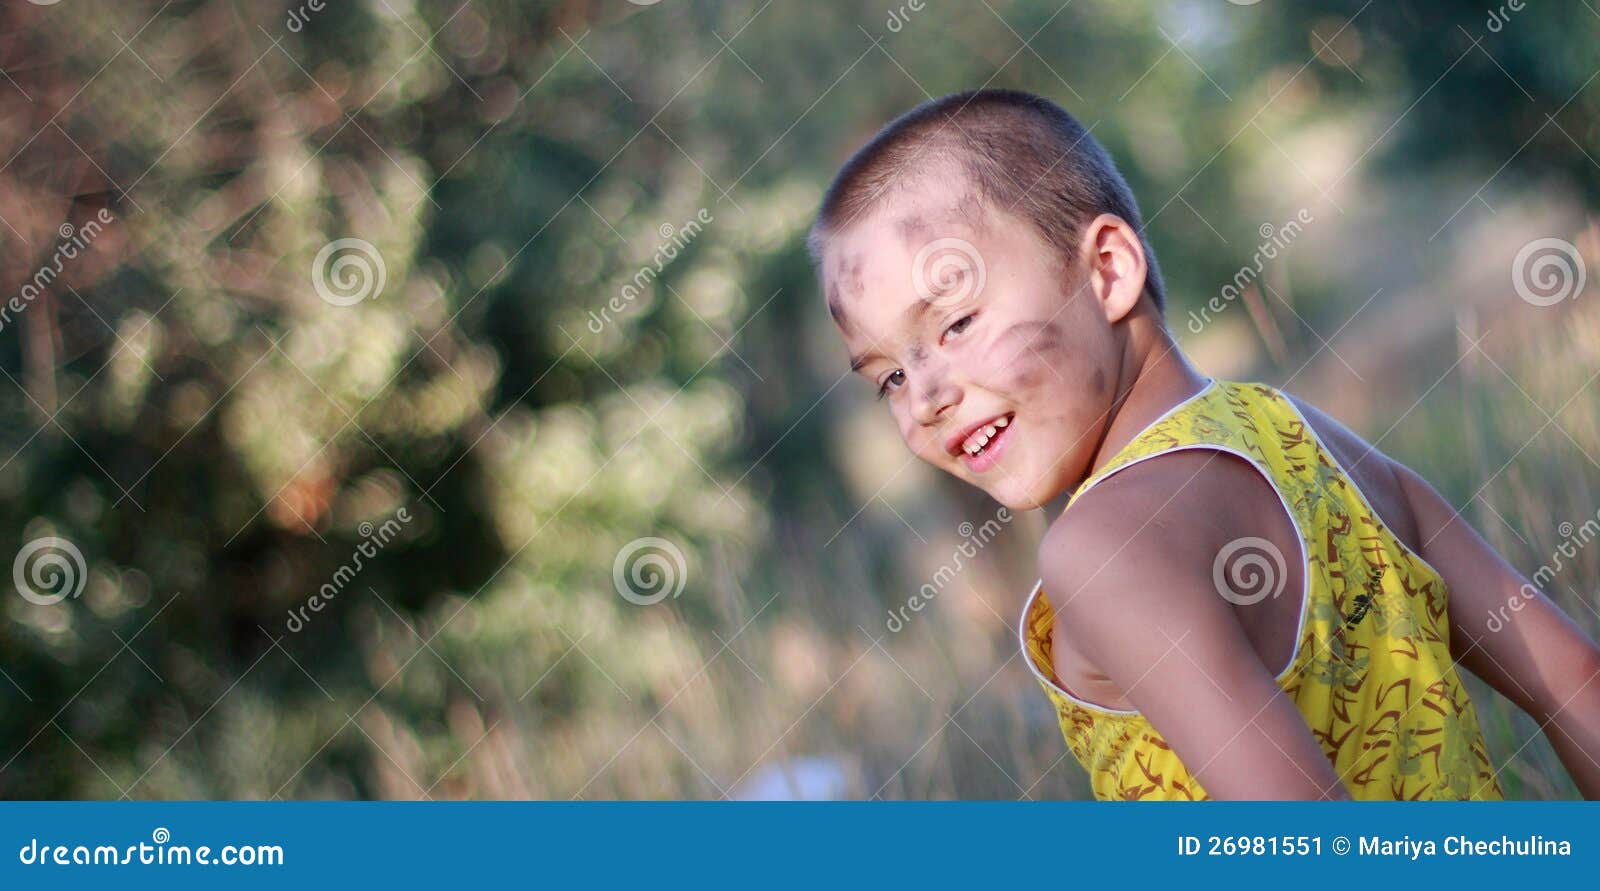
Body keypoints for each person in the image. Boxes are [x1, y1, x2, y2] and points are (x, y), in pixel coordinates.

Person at [805, 87, 1600, 800]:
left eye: (954, 324)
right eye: (889, 379)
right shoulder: (1297, 432)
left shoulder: (1101, 549)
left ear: (1109, 271)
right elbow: (1574, 677)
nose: (928, 398)